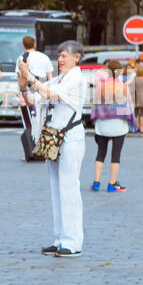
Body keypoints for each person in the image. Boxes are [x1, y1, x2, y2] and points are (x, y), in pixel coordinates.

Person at [24, 40, 87, 257]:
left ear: (76, 57)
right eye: (59, 56)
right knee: (56, 188)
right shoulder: (60, 78)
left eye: (64, 56)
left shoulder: (77, 77)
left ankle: (73, 241)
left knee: (69, 188)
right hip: (54, 137)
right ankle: (60, 238)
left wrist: (31, 78)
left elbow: (50, 94)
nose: (60, 60)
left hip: (70, 137)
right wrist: (23, 83)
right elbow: (35, 98)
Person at [90, 59, 134, 193]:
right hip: (119, 125)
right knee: (116, 155)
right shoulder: (123, 86)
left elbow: (95, 105)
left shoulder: (100, 87)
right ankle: (112, 183)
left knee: (100, 153)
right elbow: (130, 106)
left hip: (103, 124)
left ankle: (96, 182)